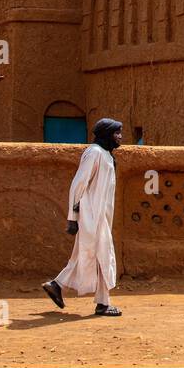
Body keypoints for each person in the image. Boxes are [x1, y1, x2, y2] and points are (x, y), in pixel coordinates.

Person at [42, 118, 123, 317]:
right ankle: (102, 303)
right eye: (116, 133)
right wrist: (72, 218)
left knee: (91, 255)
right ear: (106, 134)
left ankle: (57, 285)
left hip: (101, 217)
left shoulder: (105, 154)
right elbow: (78, 184)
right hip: (91, 215)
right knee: (102, 256)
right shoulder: (94, 153)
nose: (120, 137)